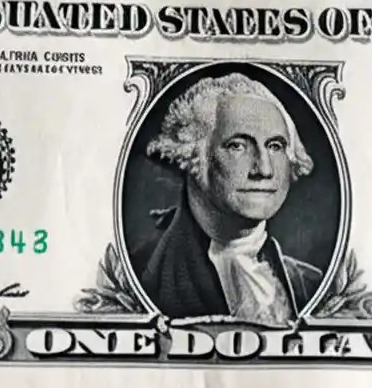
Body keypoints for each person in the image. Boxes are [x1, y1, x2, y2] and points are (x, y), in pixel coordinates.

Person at [129, 72, 323, 323]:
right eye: (238, 146)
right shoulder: (142, 275)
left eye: (275, 146)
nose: (264, 170)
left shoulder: (309, 283)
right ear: (192, 156)